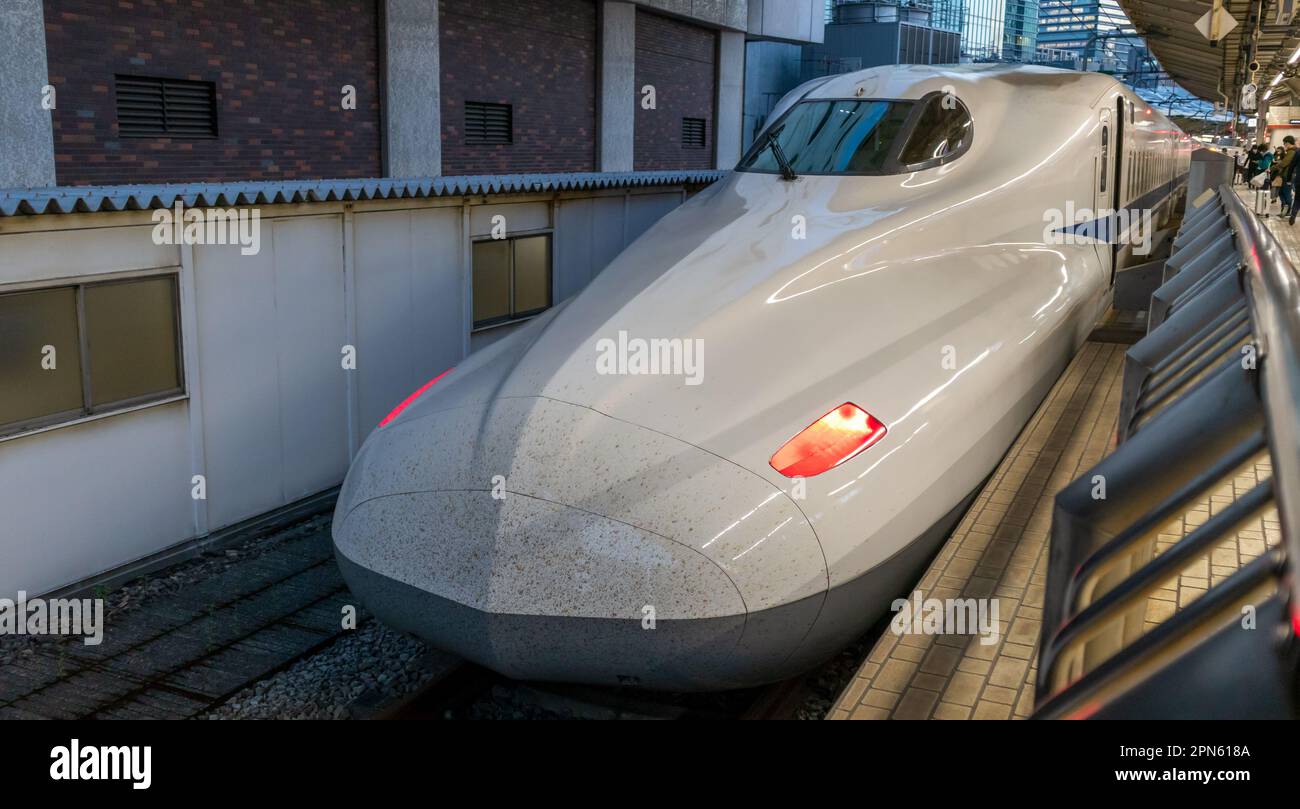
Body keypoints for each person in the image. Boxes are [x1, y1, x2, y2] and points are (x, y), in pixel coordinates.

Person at [1275, 136, 1297, 216]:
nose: (1284, 145)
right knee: (1282, 192)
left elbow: (1284, 163)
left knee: (1286, 193)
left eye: (1284, 143)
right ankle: (1284, 209)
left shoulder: (1292, 152)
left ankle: (1287, 211)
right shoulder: (1291, 151)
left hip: (1289, 176)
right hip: (1287, 175)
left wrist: (1273, 168)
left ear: (1287, 143)